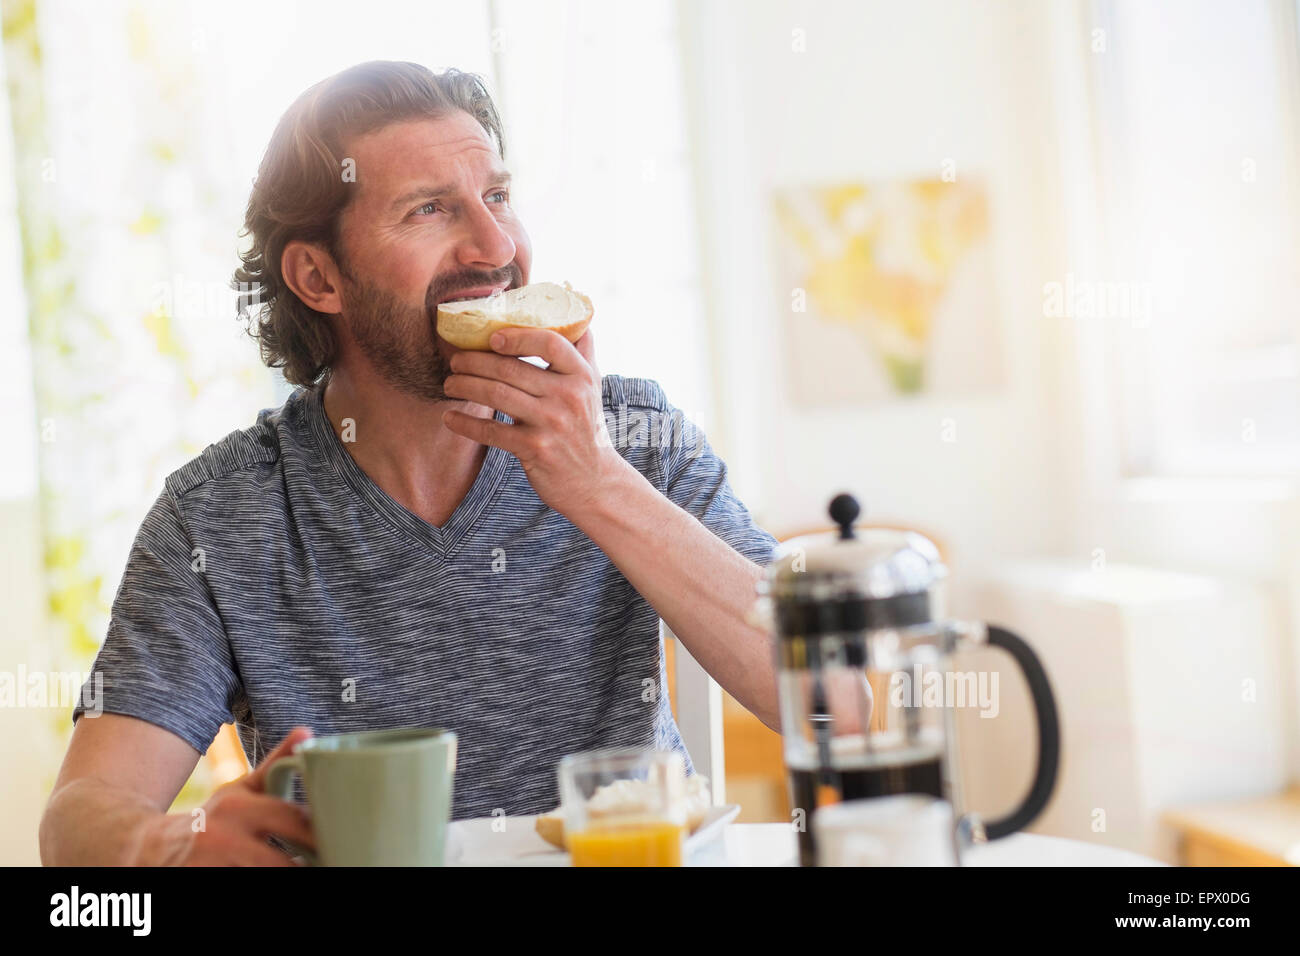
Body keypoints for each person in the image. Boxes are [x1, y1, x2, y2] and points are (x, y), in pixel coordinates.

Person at [39, 61, 778, 866]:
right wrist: (169, 846)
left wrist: (598, 482)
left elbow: (833, 704)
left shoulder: (633, 434)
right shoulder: (220, 517)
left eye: (497, 196)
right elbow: (79, 818)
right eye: (429, 210)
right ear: (319, 277)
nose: (497, 247)